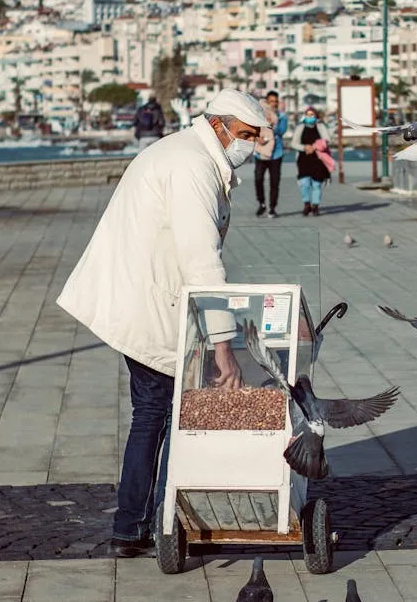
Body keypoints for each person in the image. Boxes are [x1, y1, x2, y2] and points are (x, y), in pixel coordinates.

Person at [56, 89, 270, 558]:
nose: (252, 145)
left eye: (257, 136)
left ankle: (131, 528)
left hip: (144, 299)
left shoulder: (184, 153)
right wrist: (223, 345)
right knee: (170, 415)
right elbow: (201, 260)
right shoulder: (192, 165)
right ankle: (162, 525)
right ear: (219, 126)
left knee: (151, 416)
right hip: (151, 306)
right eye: (247, 135)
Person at [291, 106, 332, 216]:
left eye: (312, 114)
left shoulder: (321, 126)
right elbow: (293, 143)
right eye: (308, 115)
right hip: (303, 159)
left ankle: (315, 205)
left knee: (316, 184)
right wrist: (305, 147)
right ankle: (306, 204)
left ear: (316, 115)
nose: (310, 117)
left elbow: (327, 140)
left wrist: (314, 146)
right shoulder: (300, 127)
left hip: (318, 159)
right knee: (304, 183)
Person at [253, 90, 288, 218]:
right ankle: (262, 203)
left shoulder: (282, 116)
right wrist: (258, 138)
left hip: (276, 153)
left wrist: (274, 124)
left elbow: (282, 131)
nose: (274, 104)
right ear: (267, 102)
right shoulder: (259, 114)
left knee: (275, 182)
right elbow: (253, 130)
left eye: (276, 101)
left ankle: (272, 208)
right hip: (260, 153)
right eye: (271, 101)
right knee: (258, 179)